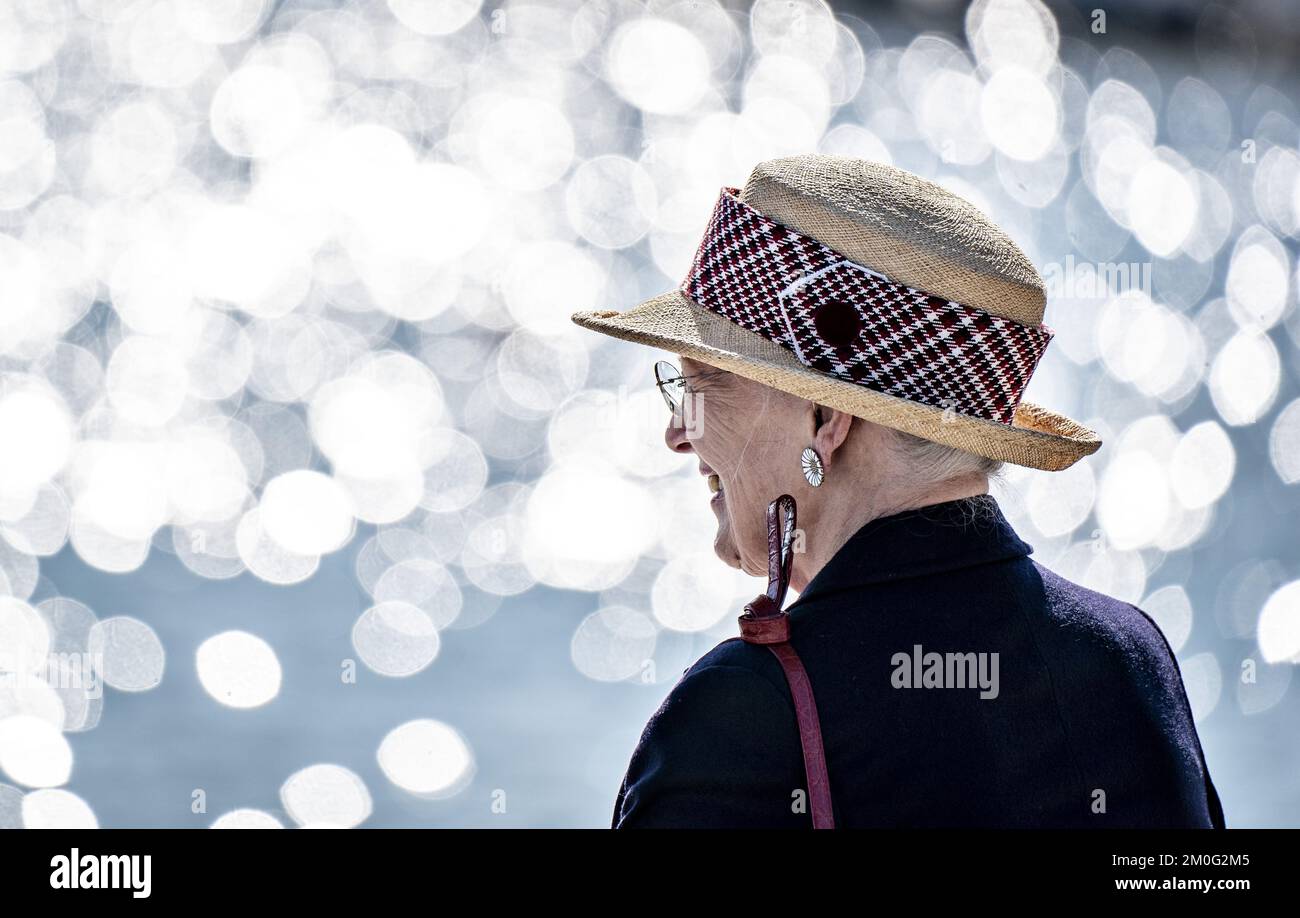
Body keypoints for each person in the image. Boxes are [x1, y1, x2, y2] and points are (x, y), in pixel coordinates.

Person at [570, 154, 1225, 828]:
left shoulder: (744, 722)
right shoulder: (1130, 658)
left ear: (824, 419)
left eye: (701, 384)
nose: (677, 433)